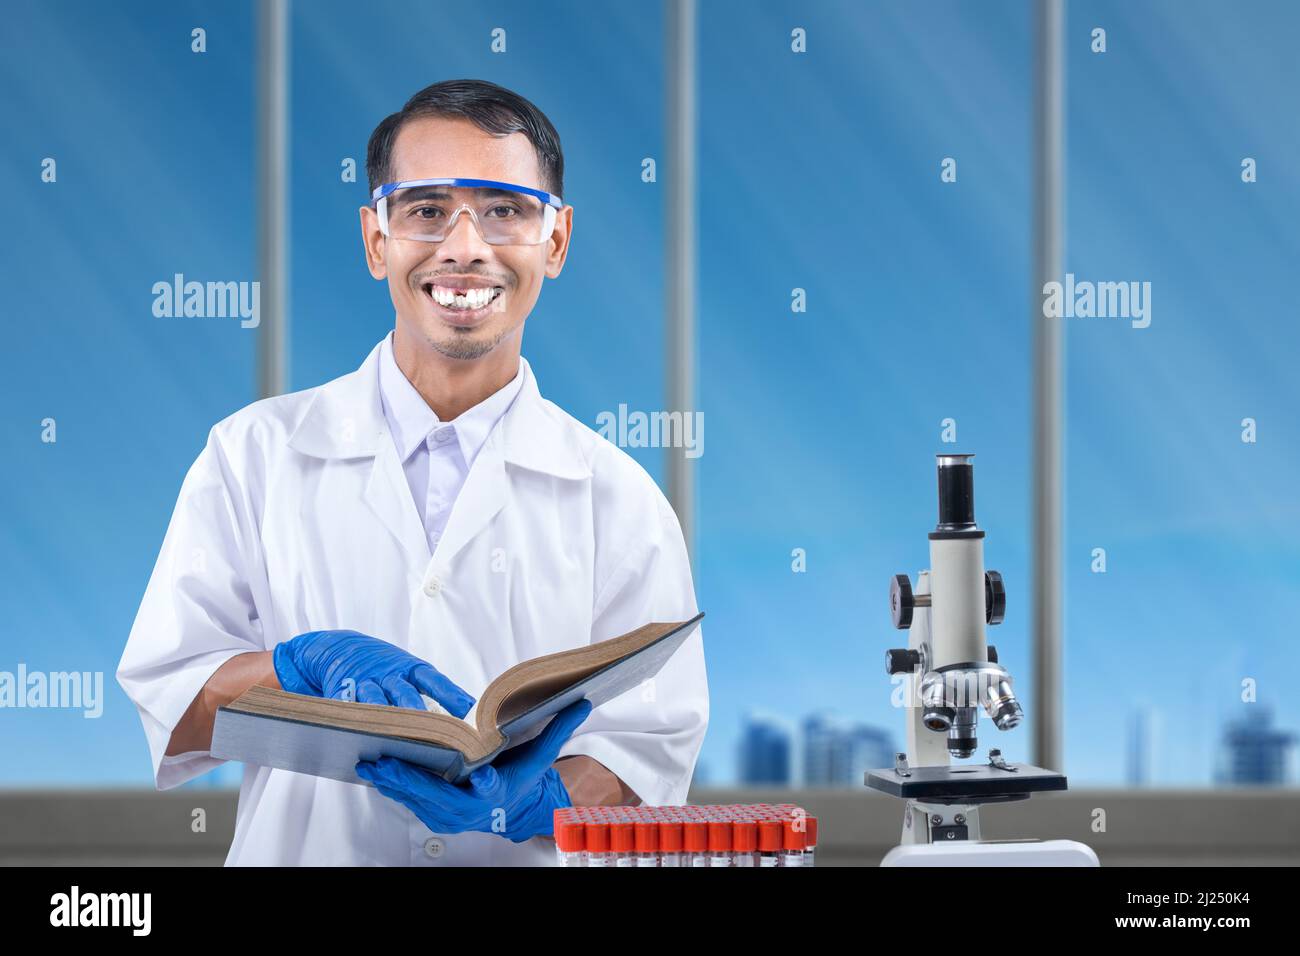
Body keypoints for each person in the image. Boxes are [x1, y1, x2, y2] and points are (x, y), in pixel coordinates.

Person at [116, 78, 708, 866]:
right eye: (427, 210)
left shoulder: (621, 500)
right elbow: (173, 701)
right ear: (376, 241)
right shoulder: (251, 455)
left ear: (555, 241)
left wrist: (542, 802)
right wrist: (296, 671)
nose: (464, 247)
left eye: (505, 210)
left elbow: (648, 755)